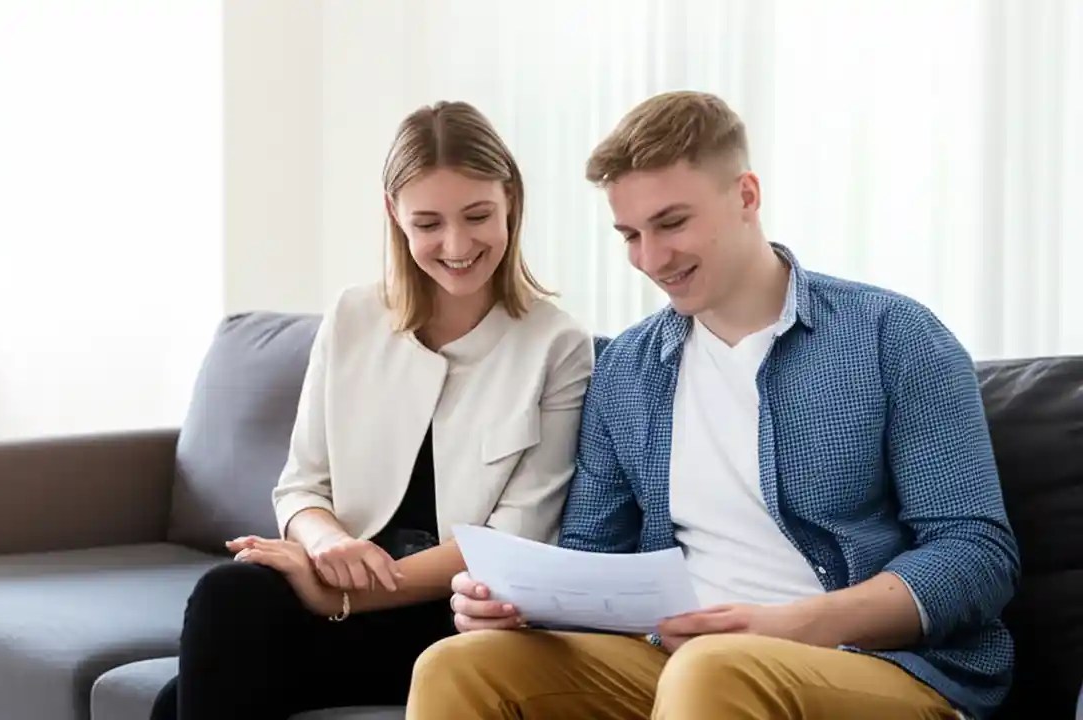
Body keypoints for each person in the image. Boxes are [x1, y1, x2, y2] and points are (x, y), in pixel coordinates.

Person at [407, 91, 1019, 720]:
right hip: (678, 661)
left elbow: (976, 553)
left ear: (746, 196)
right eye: (630, 235)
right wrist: (516, 606)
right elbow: (592, 554)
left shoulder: (892, 335)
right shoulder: (628, 369)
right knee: (461, 665)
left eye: (672, 223)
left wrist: (794, 624)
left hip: (875, 665)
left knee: (711, 668)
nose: (651, 258)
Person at [150, 100, 594, 720]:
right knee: (227, 605)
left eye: (477, 215)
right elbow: (302, 484)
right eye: (429, 223)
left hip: (454, 611)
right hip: (342, 583)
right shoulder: (355, 317)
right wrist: (327, 545)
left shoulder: (556, 345)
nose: (457, 244)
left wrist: (338, 592)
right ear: (394, 213)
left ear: (511, 199)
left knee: (190, 684)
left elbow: (513, 538)